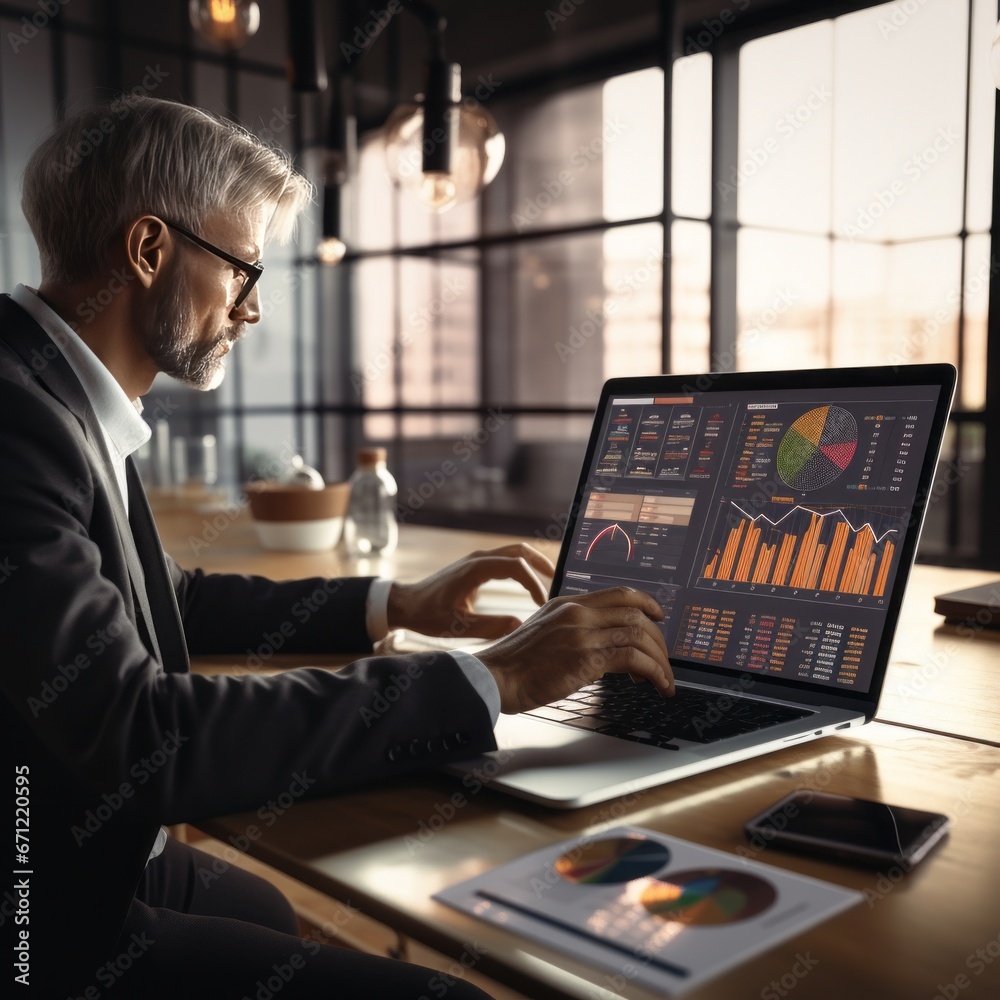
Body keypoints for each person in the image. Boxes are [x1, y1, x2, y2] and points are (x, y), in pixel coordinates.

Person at [0, 95, 673, 999]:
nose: (252, 309)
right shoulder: (18, 423)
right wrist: (493, 678)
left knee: (268, 911)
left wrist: (393, 602)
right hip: (37, 923)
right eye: (242, 268)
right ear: (149, 250)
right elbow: (141, 735)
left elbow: (173, 595)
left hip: (82, 846)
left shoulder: (51, 391)